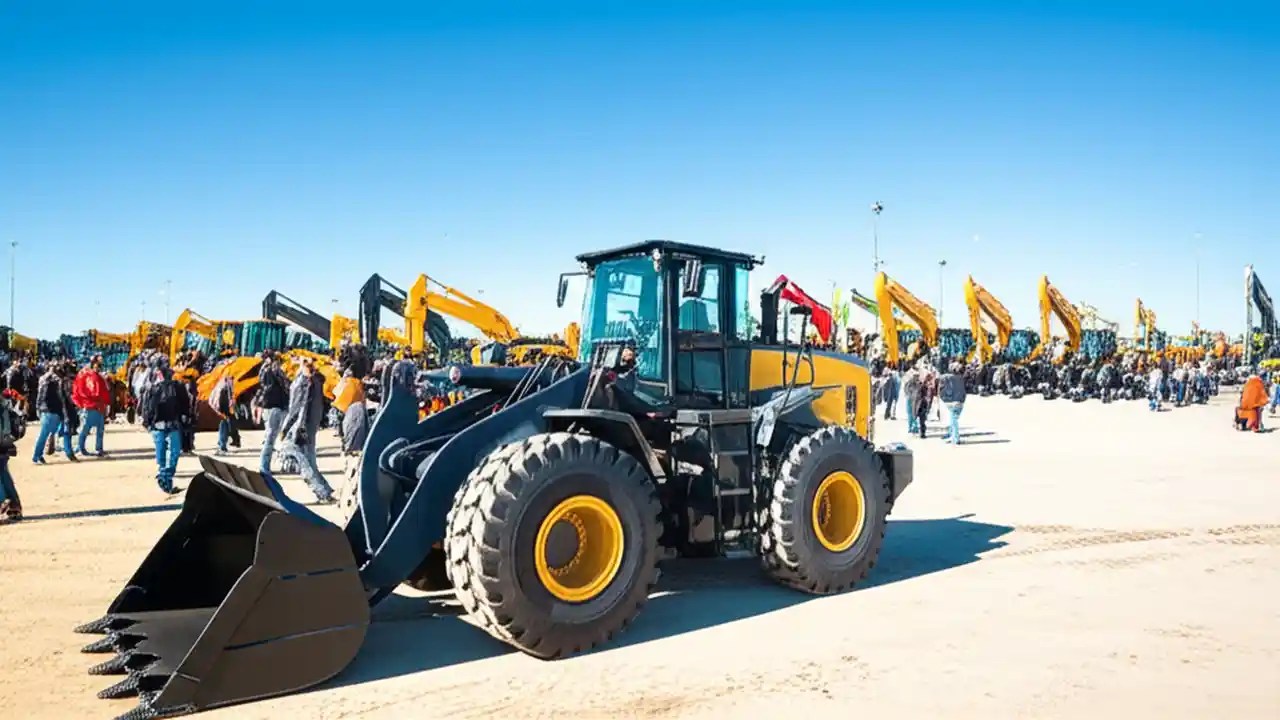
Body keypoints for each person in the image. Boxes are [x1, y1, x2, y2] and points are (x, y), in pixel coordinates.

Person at [279, 357, 336, 503]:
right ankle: (325, 489)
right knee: (309, 459)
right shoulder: (316, 381)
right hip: (310, 425)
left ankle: (322, 491)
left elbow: (296, 409)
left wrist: (285, 429)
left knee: (302, 461)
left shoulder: (302, 383)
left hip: (300, 427)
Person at [139, 362, 188, 494]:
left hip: (157, 425)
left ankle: (163, 475)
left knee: (161, 451)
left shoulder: (152, 388)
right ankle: (166, 477)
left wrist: (147, 422)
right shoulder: (178, 387)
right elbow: (186, 406)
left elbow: (146, 407)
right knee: (173, 453)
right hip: (173, 424)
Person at [33, 363, 77, 463]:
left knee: (44, 434)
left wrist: (38, 408)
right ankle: (69, 453)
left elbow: (39, 396)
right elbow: (62, 399)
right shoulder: (59, 381)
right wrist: (66, 414)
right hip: (56, 411)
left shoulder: (43, 379)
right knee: (65, 432)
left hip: (46, 410)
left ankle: (37, 455)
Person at [254, 351, 290, 474]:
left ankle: (265, 466)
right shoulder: (273, 369)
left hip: (268, 406)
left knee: (270, 437)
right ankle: (264, 467)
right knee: (272, 438)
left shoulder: (263, 370)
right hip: (275, 406)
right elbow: (285, 385)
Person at [72, 355, 111, 457]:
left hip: (98, 406)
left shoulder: (97, 377)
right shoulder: (87, 375)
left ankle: (99, 449)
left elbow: (104, 392)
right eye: (97, 365)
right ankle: (80, 448)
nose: (98, 367)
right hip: (90, 406)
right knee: (85, 429)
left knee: (99, 429)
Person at [0, 388, 25, 523]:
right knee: (3, 474)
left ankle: (3, 503)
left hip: (2, 441)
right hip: (5, 443)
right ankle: (14, 506)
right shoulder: (3, 402)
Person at [332, 368, 368, 455]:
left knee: (343, 427)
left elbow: (335, 392)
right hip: (355, 408)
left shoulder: (343, 382)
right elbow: (362, 394)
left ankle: (344, 443)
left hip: (342, 407)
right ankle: (352, 445)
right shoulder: (358, 382)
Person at [939, 362, 966, 445]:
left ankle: (956, 438)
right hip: (960, 402)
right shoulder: (961, 378)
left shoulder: (949, 377)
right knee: (953, 420)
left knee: (954, 421)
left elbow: (941, 378)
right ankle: (952, 435)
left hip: (953, 402)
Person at [210, 372, 236, 456]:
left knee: (223, 425)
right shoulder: (226, 383)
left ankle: (222, 446)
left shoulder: (224, 383)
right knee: (224, 425)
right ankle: (222, 445)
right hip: (224, 408)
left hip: (223, 409)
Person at [911, 367, 935, 439]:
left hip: (921, 404)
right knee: (920, 419)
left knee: (921, 419)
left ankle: (921, 432)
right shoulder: (920, 385)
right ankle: (921, 432)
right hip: (920, 403)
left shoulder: (923, 385)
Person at [902, 365, 921, 433]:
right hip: (913, 399)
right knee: (912, 413)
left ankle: (912, 427)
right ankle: (913, 427)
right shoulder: (913, 380)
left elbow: (905, 388)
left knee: (912, 413)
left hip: (911, 398)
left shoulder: (908, 376)